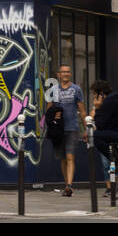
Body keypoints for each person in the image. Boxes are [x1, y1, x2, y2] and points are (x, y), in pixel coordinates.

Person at [49, 64, 87, 197]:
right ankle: (67, 185)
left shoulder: (76, 89)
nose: (65, 74)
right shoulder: (53, 90)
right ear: (58, 74)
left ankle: (70, 185)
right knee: (63, 159)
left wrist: (86, 129)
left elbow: (82, 111)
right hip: (58, 130)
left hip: (72, 128)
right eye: (63, 72)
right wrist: (54, 116)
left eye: (68, 72)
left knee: (70, 156)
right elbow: (48, 110)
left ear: (70, 74)